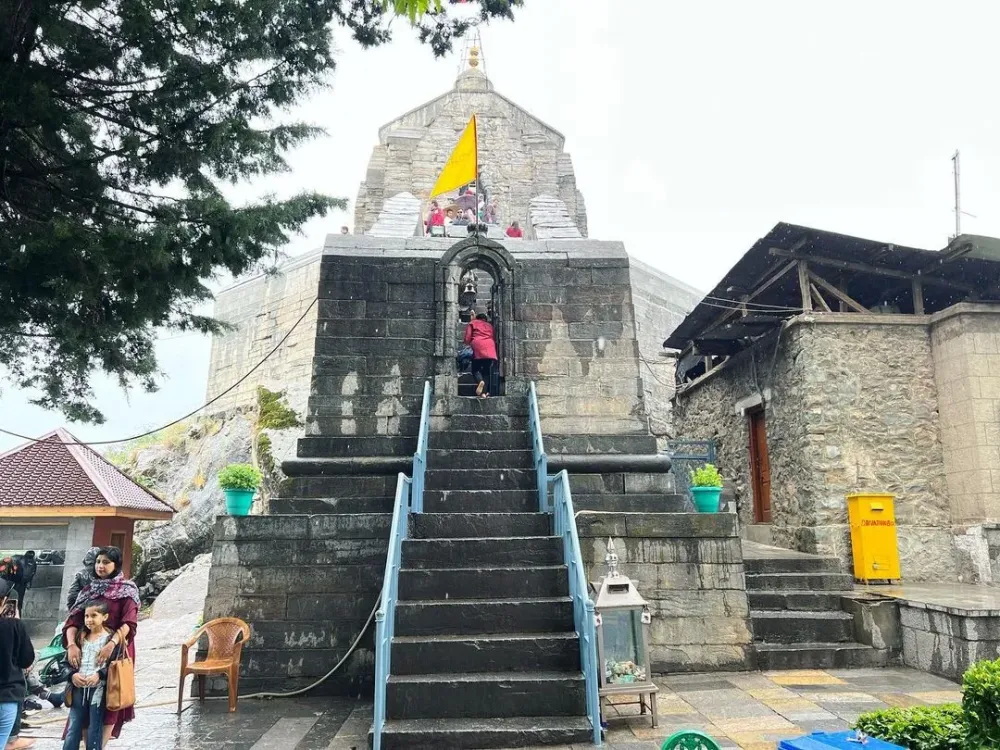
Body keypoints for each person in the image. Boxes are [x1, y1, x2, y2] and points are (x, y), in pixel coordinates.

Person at [62, 548, 139, 747]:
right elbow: (72, 621)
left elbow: (129, 624)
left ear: (116, 565)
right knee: (82, 702)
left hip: (117, 650)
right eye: (98, 562)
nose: (100, 566)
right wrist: (71, 645)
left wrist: (111, 644)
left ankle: (99, 745)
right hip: (87, 647)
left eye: (106, 562)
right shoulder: (88, 590)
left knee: (110, 701)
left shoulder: (127, 589)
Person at [63, 601, 113, 750]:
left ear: (105, 617)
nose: (89, 620)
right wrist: (72, 675)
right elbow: (66, 662)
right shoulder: (80, 637)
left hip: (98, 690)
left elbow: (115, 665)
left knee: (95, 726)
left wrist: (100, 675)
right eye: (86, 616)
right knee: (74, 726)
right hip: (78, 688)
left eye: (94, 616)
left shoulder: (110, 640)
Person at [0, 580, 35, 749]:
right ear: (4, 600)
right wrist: (17, 624)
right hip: (7, 696)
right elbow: (26, 660)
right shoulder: (14, 626)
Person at [463, 312, 498, 398]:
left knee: (475, 369)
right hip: (490, 348)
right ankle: (484, 393)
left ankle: (480, 381)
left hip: (478, 347)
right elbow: (493, 337)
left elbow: (467, 338)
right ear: (485, 319)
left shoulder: (473, 323)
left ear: (477, 318)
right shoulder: (490, 326)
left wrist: (467, 344)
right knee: (486, 372)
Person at [66, 548, 100, 613]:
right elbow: (72, 596)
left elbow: (72, 597)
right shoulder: (81, 576)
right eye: (90, 564)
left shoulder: (81, 574)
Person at [10, 553, 35, 618]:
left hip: (13, 583)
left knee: (9, 601)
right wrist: (29, 583)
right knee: (19, 603)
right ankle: (18, 619)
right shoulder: (33, 562)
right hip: (22, 584)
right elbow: (32, 574)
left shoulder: (16, 558)